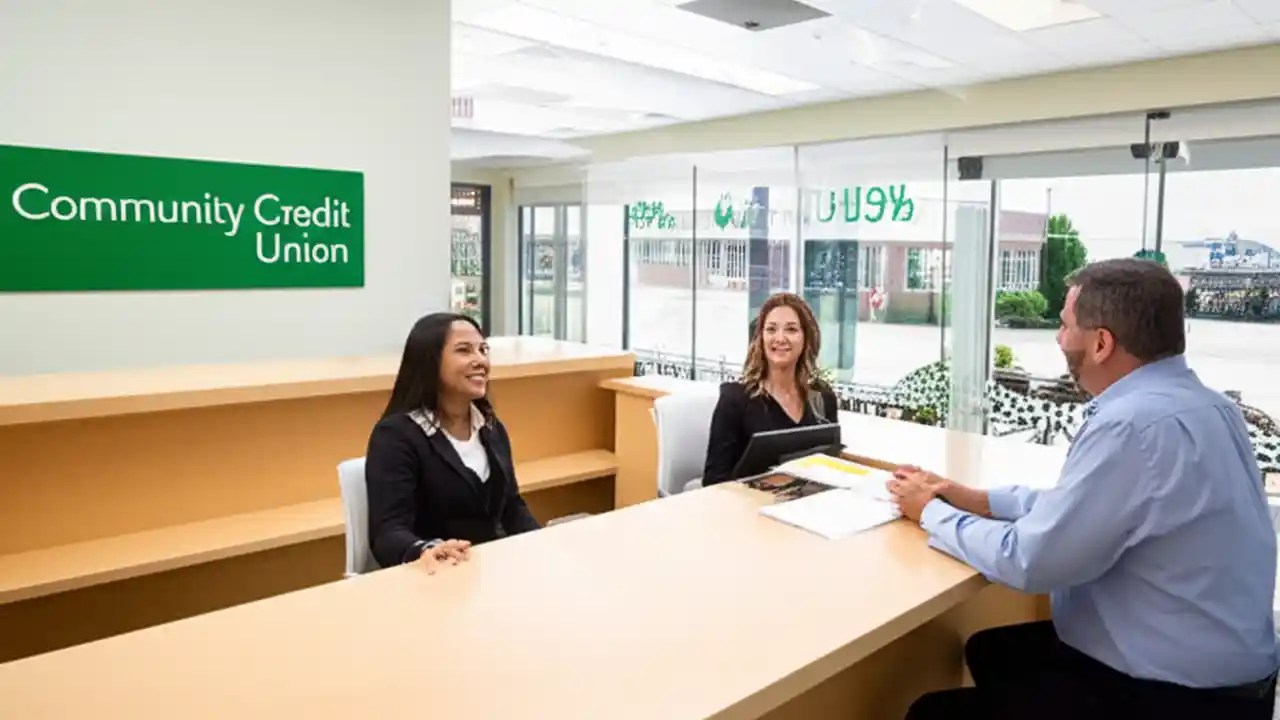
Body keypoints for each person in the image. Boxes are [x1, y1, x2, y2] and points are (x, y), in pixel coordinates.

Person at [890, 258, 1278, 719]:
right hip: (1231, 678)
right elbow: (1089, 509)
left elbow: (1030, 561)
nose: (1058, 339)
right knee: (994, 651)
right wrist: (974, 498)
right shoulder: (1210, 408)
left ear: (1100, 343)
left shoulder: (1131, 425)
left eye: (1064, 325)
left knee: (934, 713)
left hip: (1177, 698)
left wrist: (929, 512)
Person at [366, 313, 540, 573]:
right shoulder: (396, 436)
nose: (480, 360)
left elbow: (512, 508)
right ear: (430, 361)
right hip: (435, 579)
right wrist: (425, 549)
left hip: (489, 573)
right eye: (464, 350)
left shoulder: (491, 427)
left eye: (483, 350)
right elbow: (388, 532)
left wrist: (542, 543)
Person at [702, 292, 839, 486]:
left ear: (806, 338)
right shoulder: (735, 399)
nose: (780, 338)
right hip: (745, 509)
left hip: (804, 508)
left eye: (791, 329)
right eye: (771, 329)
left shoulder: (823, 399)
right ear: (760, 338)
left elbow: (829, 470)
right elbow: (713, 481)